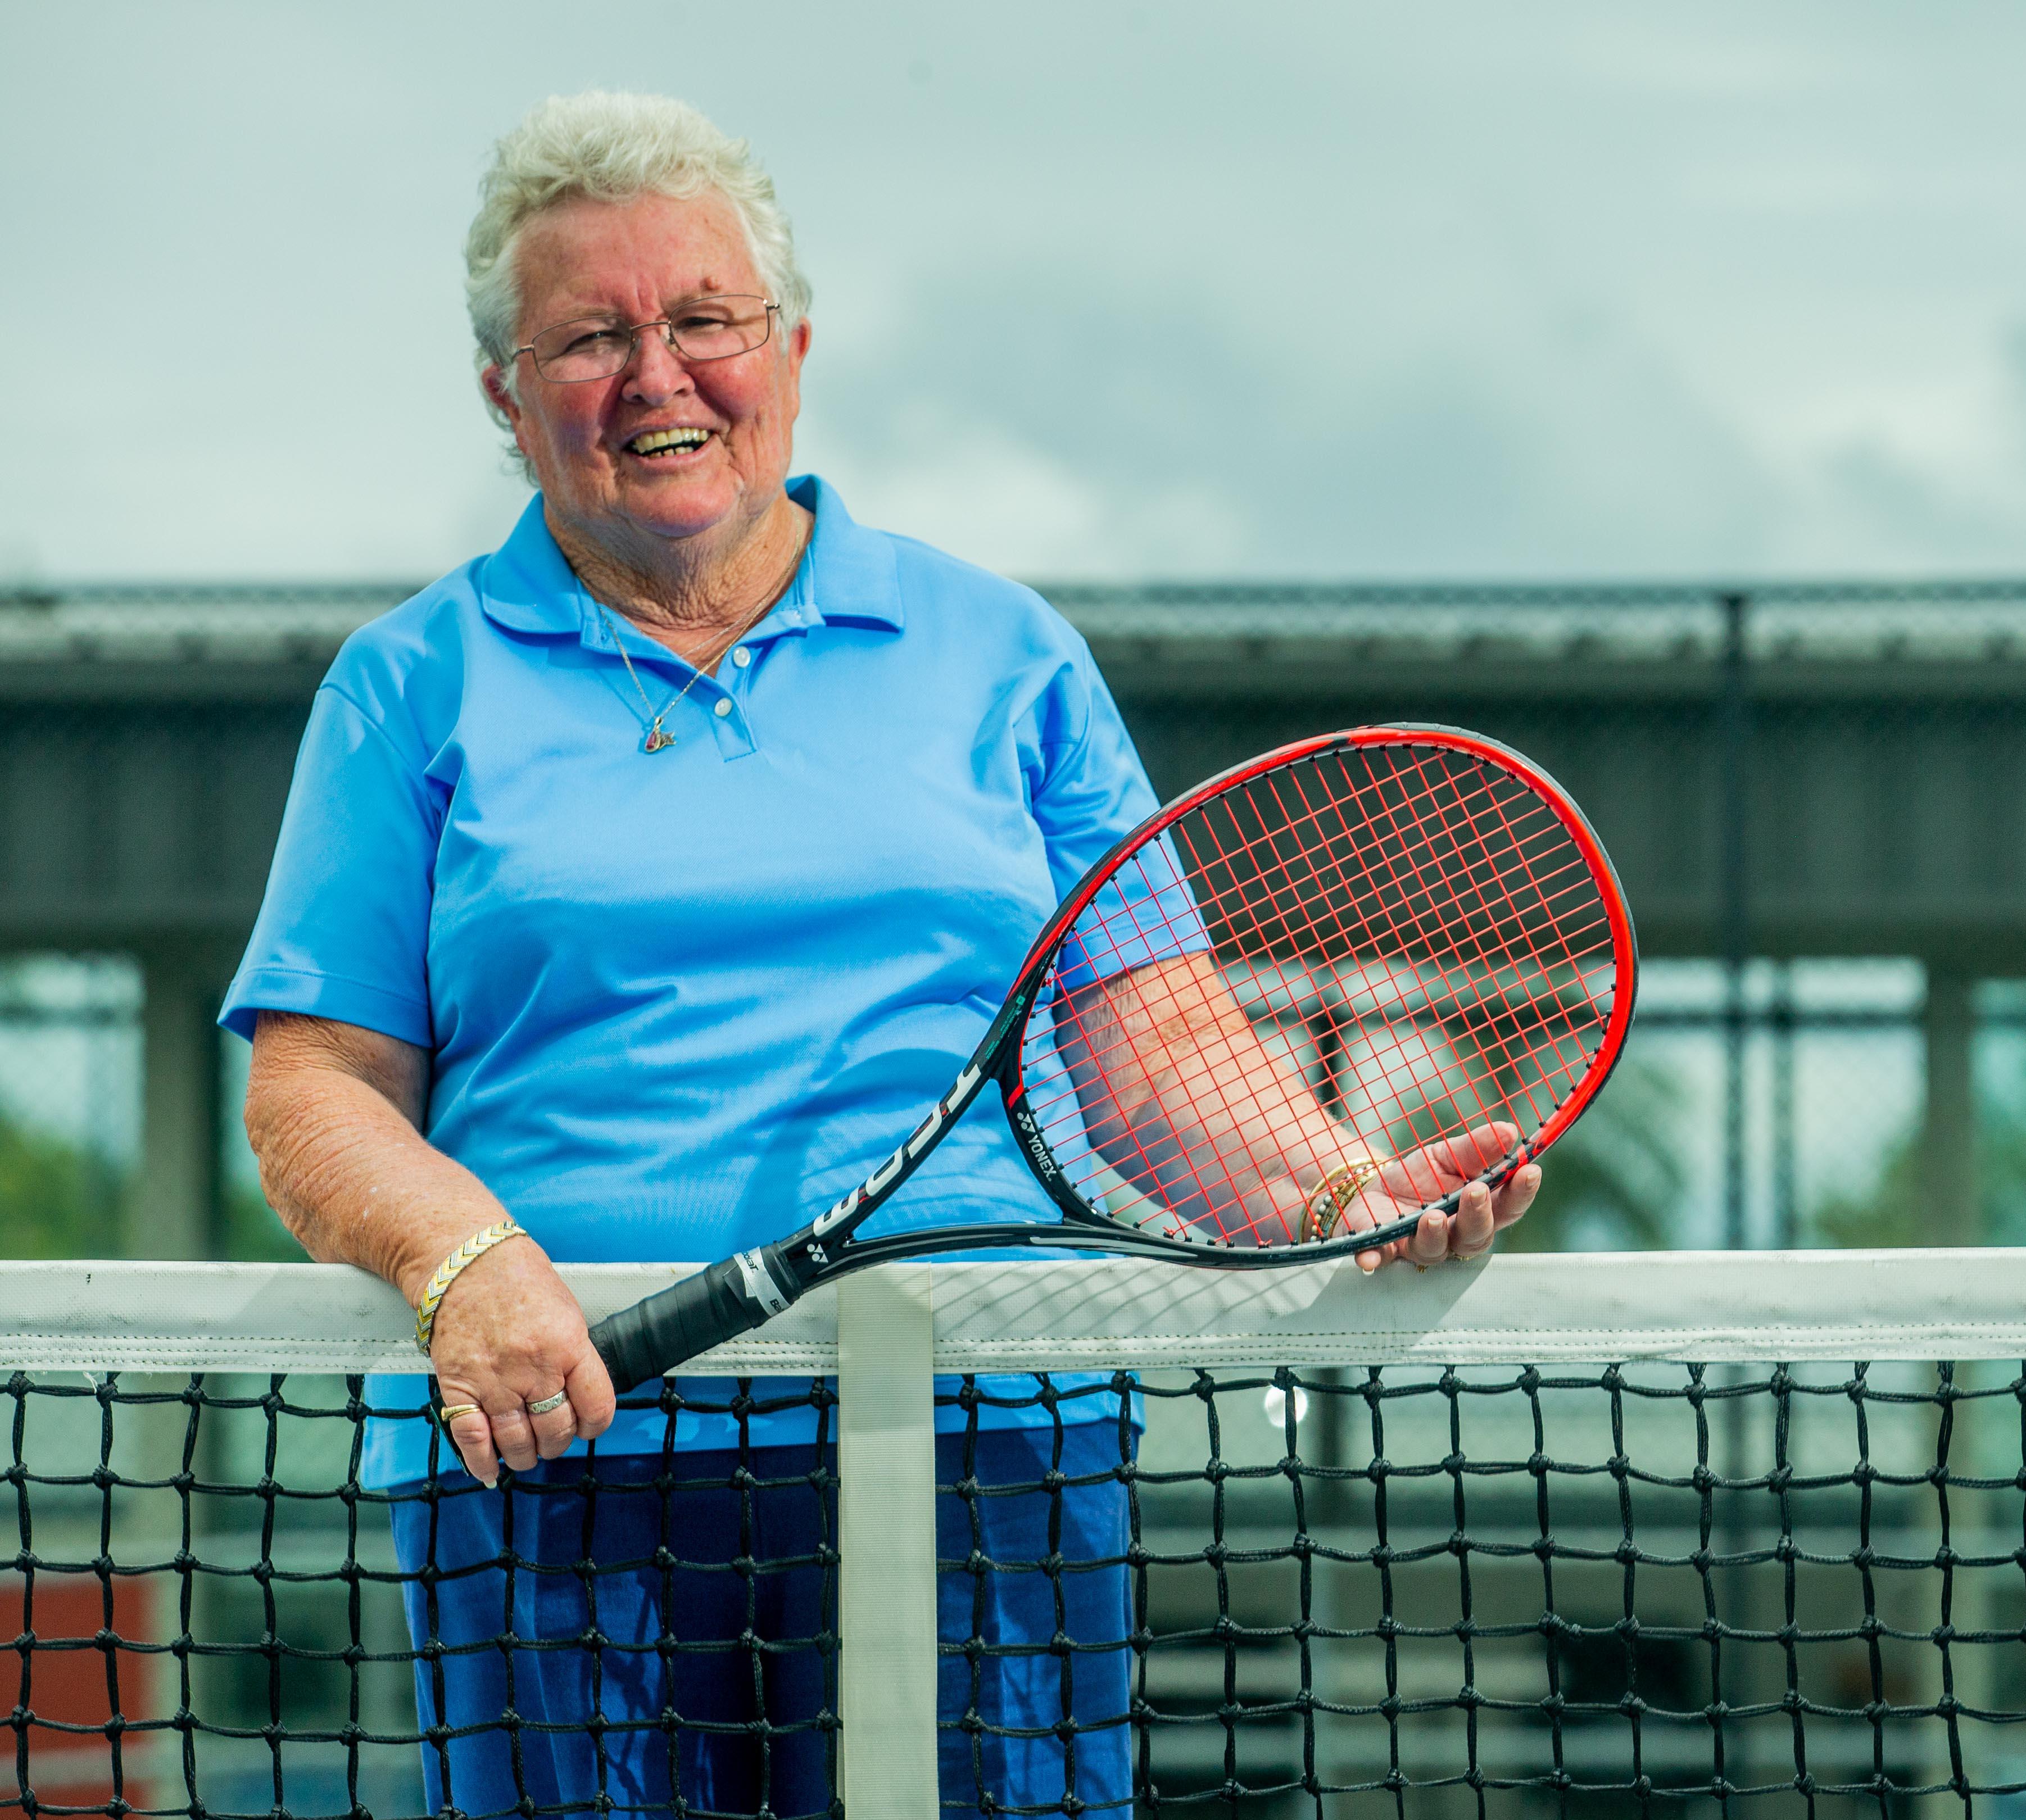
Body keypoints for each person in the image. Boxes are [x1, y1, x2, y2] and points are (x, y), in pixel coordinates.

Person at [225, 90, 1542, 1820]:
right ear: (502, 391)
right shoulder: (408, 686)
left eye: (704, 322)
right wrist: (463, 1262)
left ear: (790, 345)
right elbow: (313, 1088)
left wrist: (1338, 1187)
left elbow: (1157, 1064)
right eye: (590, 339)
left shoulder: (1005, 656)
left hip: (981, 1437)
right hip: (557, 1456)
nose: (658, 377)